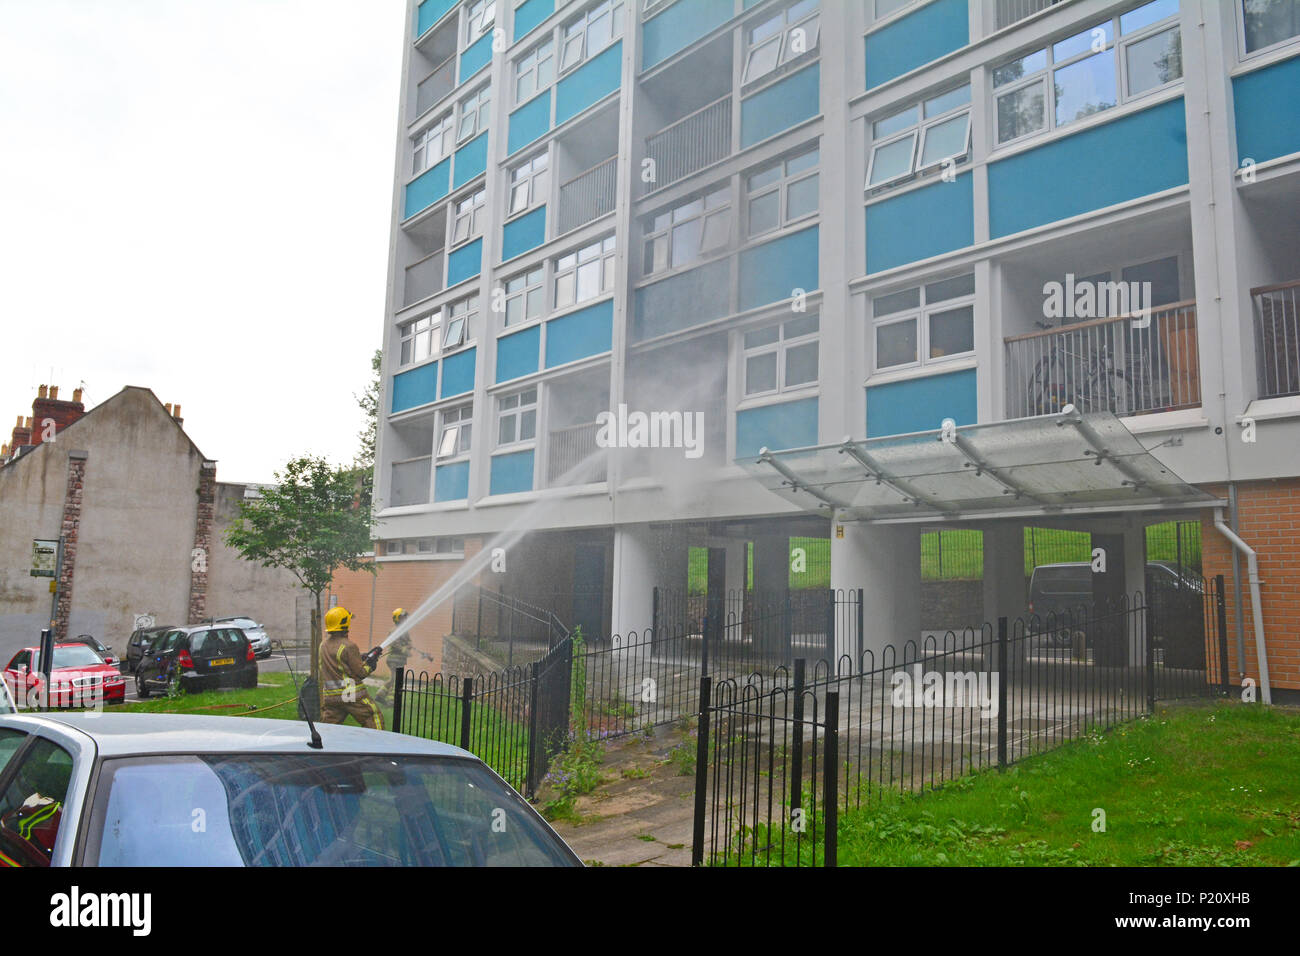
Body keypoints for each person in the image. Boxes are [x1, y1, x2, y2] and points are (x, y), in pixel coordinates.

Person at [318, 606, 384, 730]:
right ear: (344, 623)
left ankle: (324, 746)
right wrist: (371, 665)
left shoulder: (323, 645)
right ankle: (379, 746)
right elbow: (361, 673)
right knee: (372, 716)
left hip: (331, 697)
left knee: (328, 727)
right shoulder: (349, 646)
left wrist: (360, 657)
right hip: (351, 696)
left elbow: (337, 661)